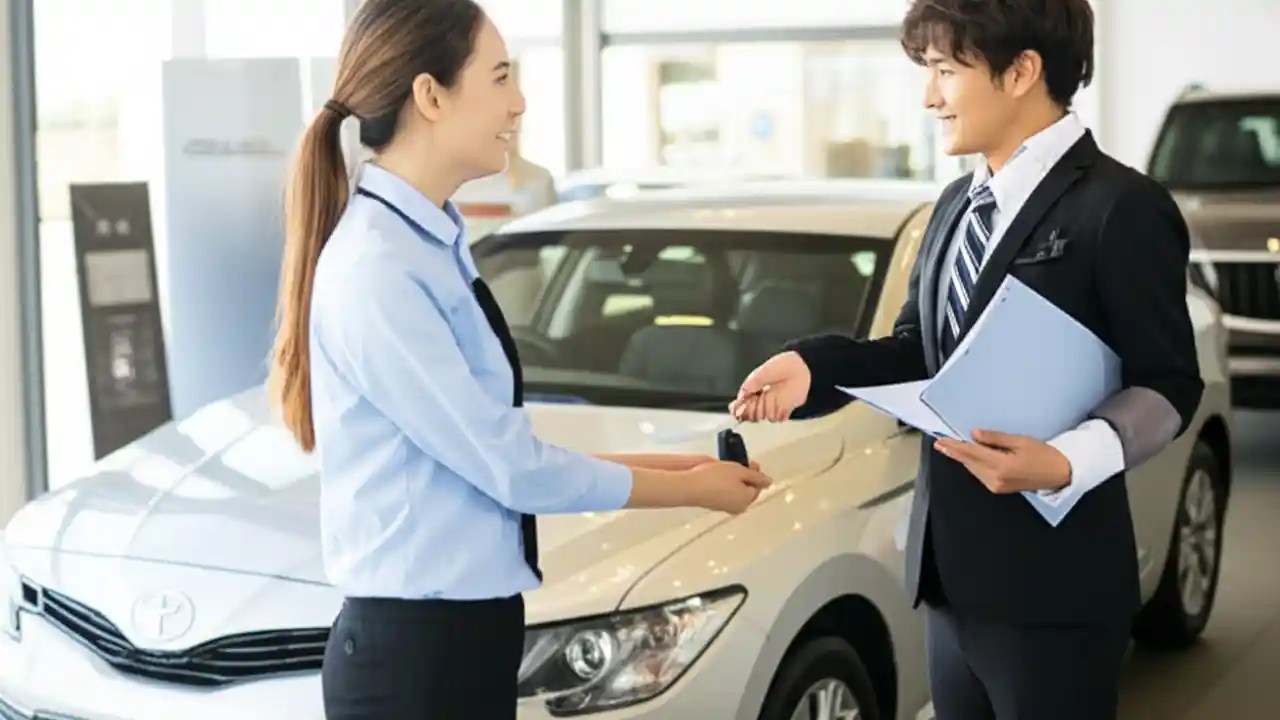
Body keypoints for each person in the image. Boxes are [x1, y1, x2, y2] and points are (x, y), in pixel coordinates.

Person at [266, 1, 772, 718]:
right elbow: (510, 470)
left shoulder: (427, 243)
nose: (519, 102)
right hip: (417, 659)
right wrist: (693, 491)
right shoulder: (379, 266)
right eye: (500, 77)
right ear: (430, 95)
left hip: (460, 639)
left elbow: (496, 448)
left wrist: (687, 466)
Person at [730, 0, 1202, 718]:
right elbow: (918, 350)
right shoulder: (954, 202)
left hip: (1054, 588)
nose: (929, 96)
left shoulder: (1120, 206)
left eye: (946, 71)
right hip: (950, 578)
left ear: (1022, 72)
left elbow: (1168, 383)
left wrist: (1066, 460)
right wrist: (816, 369)